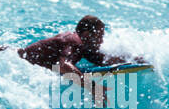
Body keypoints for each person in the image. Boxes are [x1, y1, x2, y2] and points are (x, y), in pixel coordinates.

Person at [11, 15, 140, 78]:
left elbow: (101, 60)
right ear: (87, 34)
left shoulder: (83, 47)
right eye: (99, 36)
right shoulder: (74, 41)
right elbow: (63, 65)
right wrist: (92, 87)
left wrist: (133, 61)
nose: (101, 41)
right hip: (12, 60)